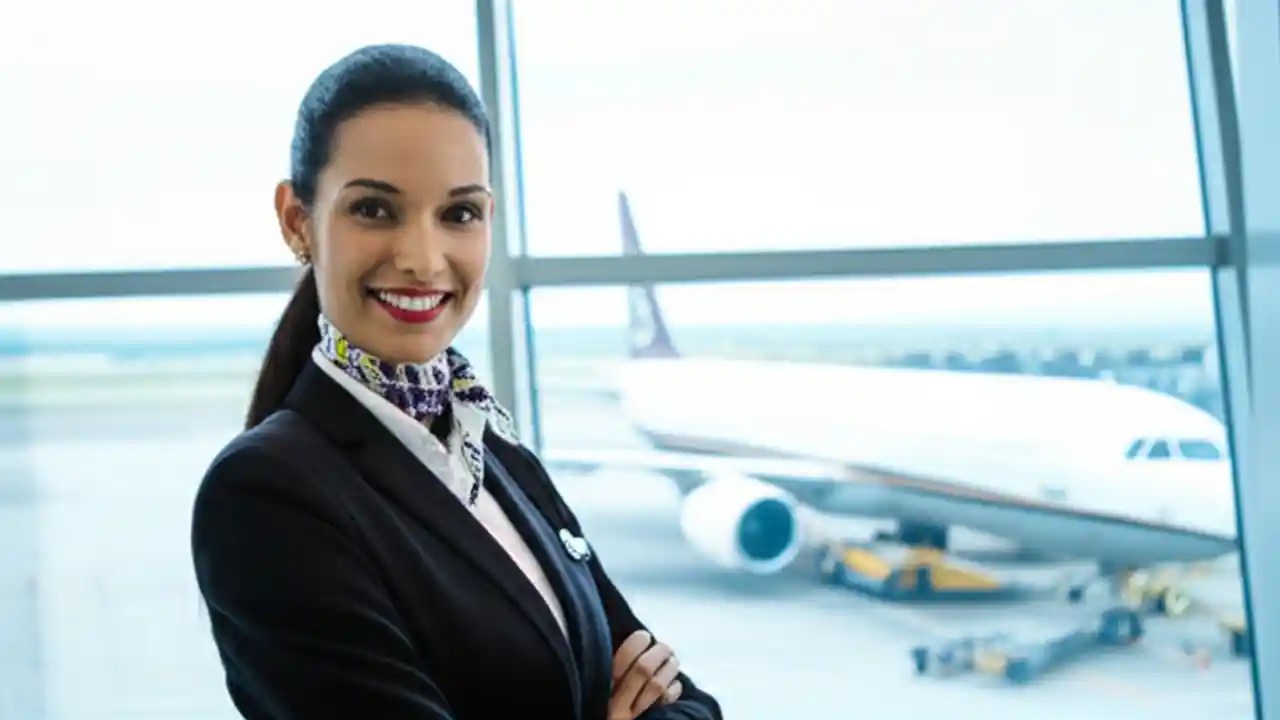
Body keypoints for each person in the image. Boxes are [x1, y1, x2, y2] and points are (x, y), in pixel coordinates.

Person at [189, 43, 723, 720]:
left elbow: (689, 701)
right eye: (375, 210)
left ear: (489, 222)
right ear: (298, 221)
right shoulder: (267, 495)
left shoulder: (493, 445)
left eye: (458, 213)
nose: (422, 258)